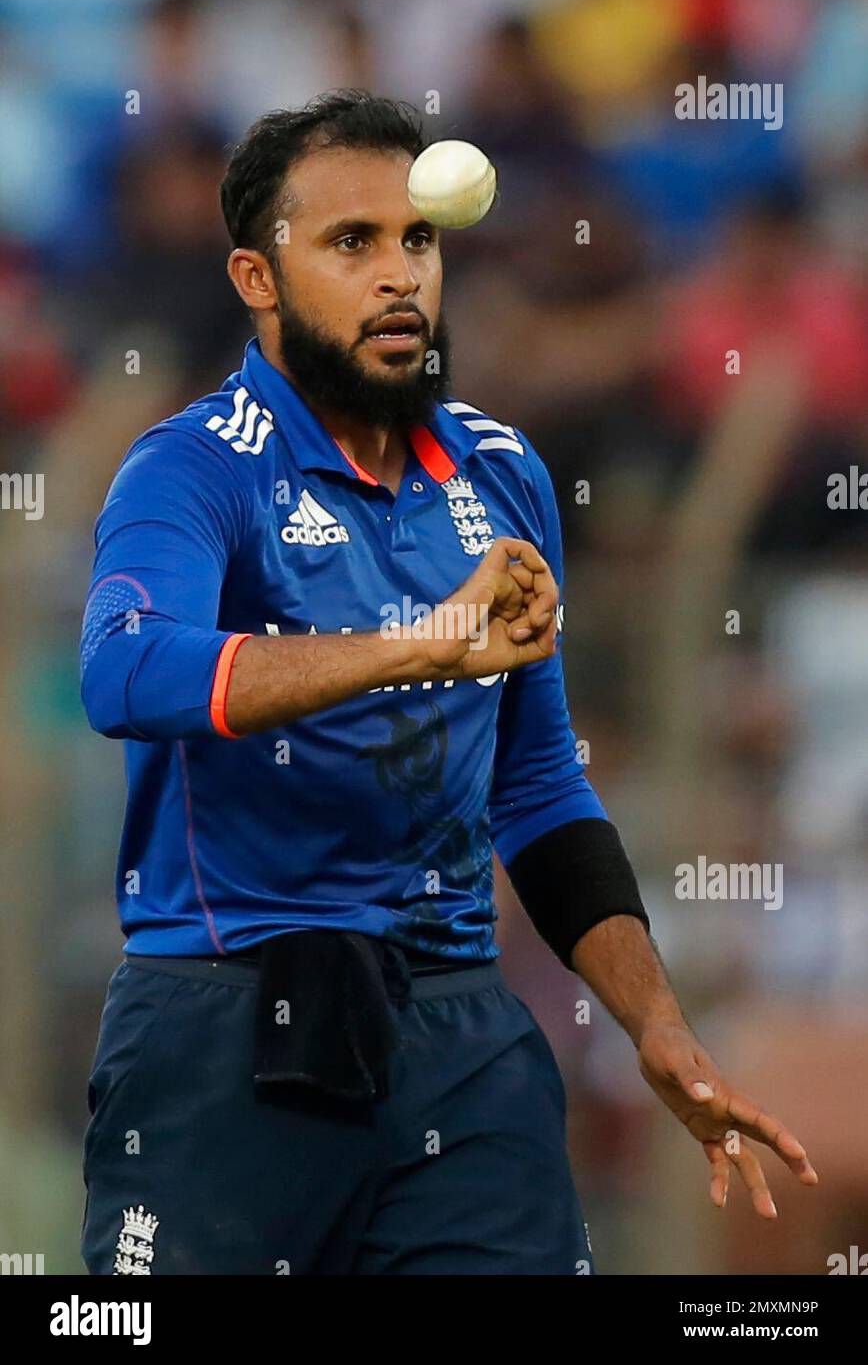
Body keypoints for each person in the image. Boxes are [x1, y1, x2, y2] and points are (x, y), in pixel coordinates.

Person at [79, 90, 816, 1276]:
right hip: (229, 1025)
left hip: (457, 1035)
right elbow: (124, 668)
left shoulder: (501, 471)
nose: (399, 276)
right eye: (350, 241)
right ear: (258, 278)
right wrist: (415, 646)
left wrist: (654, 1022)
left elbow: (538, 788)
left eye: (417, 239)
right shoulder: (192, 468)